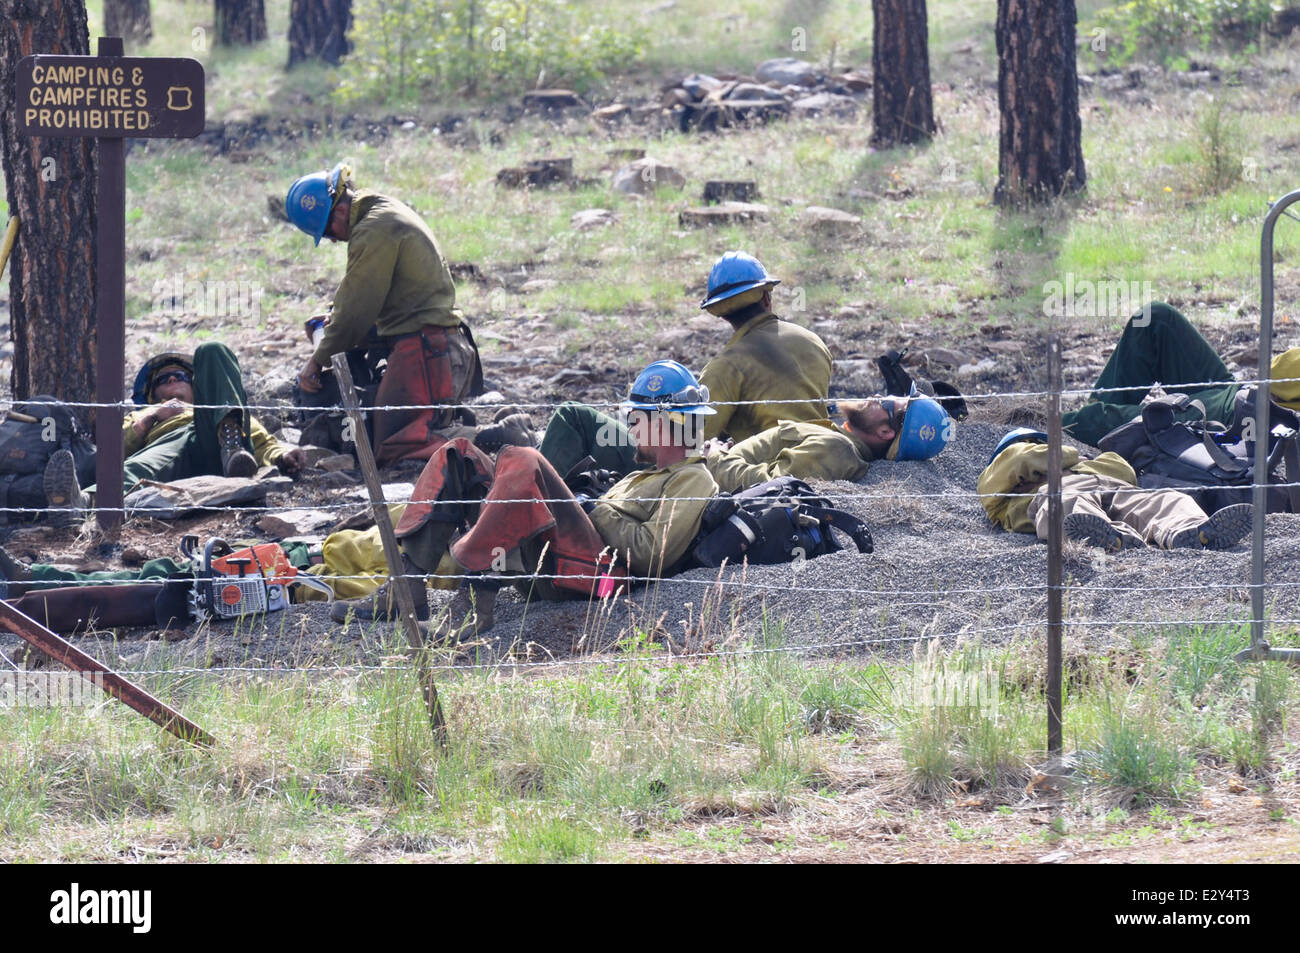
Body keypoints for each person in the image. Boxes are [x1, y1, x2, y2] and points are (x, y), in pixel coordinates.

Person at [329, 360, 721, 637]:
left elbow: (651, 552)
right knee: (460, 455)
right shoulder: (648, 473)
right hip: (569, 555)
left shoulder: (693, 479)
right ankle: (406, 587)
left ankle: (472, 604)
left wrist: (595, 508)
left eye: (638, 419)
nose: (631, 427)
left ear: (668, 422)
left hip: (598, 579)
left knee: (525, 460)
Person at [285, 163, 497, 466]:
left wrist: (316, 361)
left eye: (328, 231)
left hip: (429, 351)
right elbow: (362, 302)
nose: (333, 240)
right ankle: (450, 429)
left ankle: (488, 442)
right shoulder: (380, 211)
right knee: (387, 434)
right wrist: (334, 319)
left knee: (395, 447)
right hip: (437, 349)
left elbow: (356, 312)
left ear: (340, 212)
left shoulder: (373, 231)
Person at [42, 344, 305, 517]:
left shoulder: (224, 408)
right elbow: (113, 453)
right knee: (144, 464)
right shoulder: (140, 414)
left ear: (195, 385)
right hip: (170, 451)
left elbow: (262, 440)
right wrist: (152, 418)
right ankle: (82, 504)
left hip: (219, 447)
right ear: (152, 394)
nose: (171, 379)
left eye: (180, 377)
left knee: (213, 349)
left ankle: (231, 447)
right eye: (162, 380)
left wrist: (283, 454)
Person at [1063, 301, 1300, 447]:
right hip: (1236, 392)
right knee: (1155, 318)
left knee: (1100, 419)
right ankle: (1094, 431)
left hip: (1236, 420)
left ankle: (1064, 426)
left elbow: (1277, 374)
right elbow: (1274, 374)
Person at [977, 428, 1254, 551]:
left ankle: (1190, 531)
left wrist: (1081, 462)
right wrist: (1075, 457)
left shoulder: (1083, 463)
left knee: (1166, 499)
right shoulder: (1002, 477)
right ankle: (1105, 535)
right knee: (1064, 501)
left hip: (1112, 488)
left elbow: (1125, 472)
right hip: (1059, 492)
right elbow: (1021, 459)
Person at [696, 251, 833, 443]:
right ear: (767, 298)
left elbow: (696, 439)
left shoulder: (723, 367)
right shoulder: (812, 341)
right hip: (828, 451)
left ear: (723, 315)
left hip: (768, 466)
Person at [703, 392, 954, 492]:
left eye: (886, 403)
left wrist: (715, 455)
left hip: (706, 478)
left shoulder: (836, 449)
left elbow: (765, 487)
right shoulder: (839, 439)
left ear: (886, 432)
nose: (878, 395)